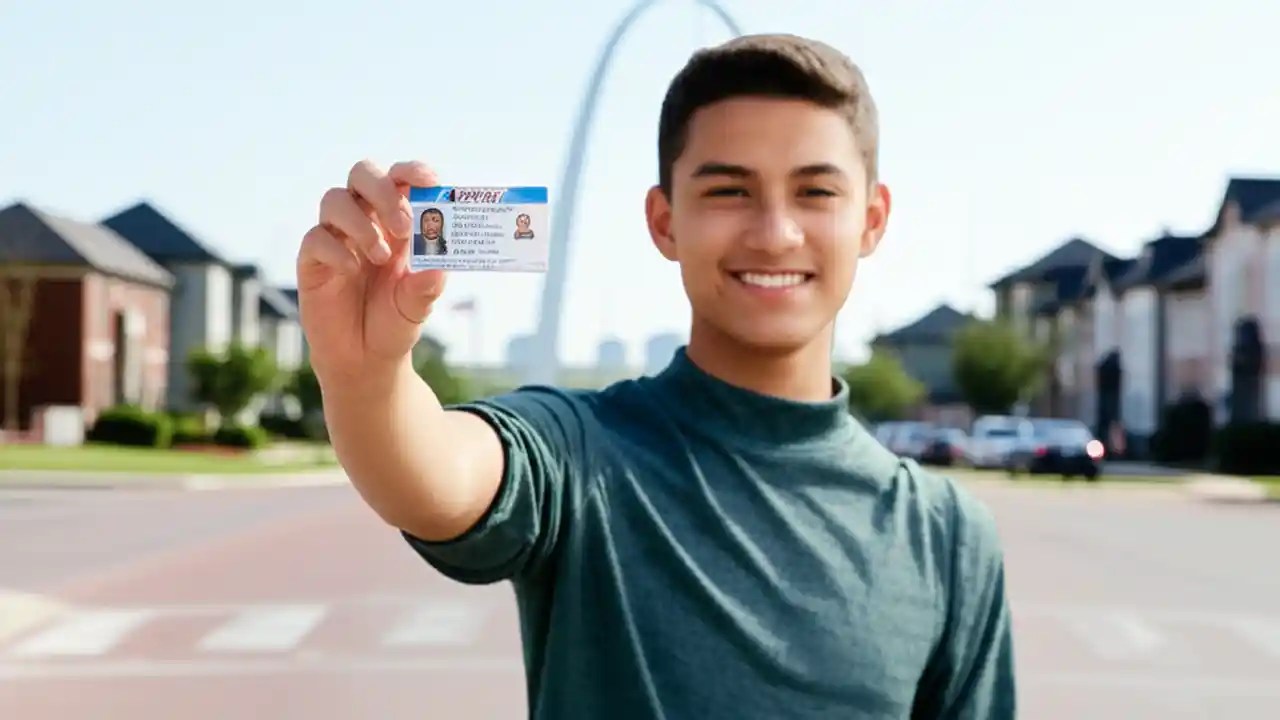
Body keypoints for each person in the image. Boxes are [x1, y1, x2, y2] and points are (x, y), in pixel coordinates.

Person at [296, 33, 1015, 720]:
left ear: (872, 219)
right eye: (729, 191)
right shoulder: (582, 453)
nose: (774, 232)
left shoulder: (947, 538)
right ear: (664, 221)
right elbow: (436, 473)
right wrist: (367, 380)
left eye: (815, 193)